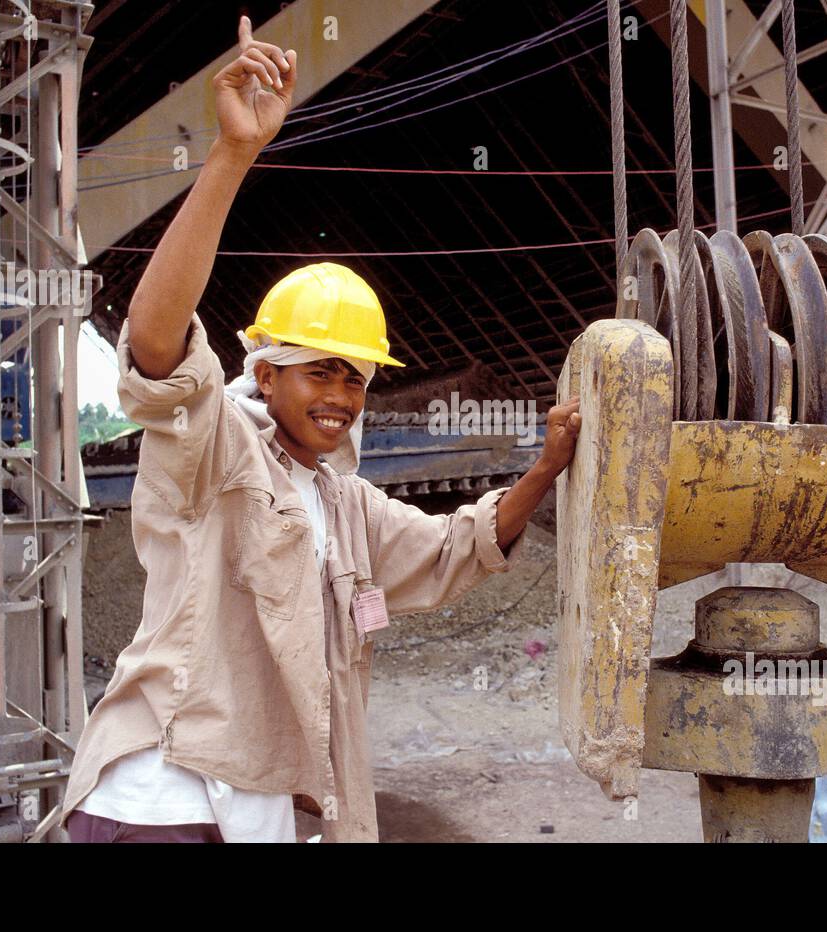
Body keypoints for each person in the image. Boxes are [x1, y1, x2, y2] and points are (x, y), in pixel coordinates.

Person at [58, 16, 581, 843]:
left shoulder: (345, 505)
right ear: (265, 374)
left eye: (355, 376)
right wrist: (232, 154)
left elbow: (456, 545)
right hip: (164, 798)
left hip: (263, 805)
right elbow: (158, 348)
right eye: (318, 370)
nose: (339, 394)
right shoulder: (217, 448)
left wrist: (549, 467)